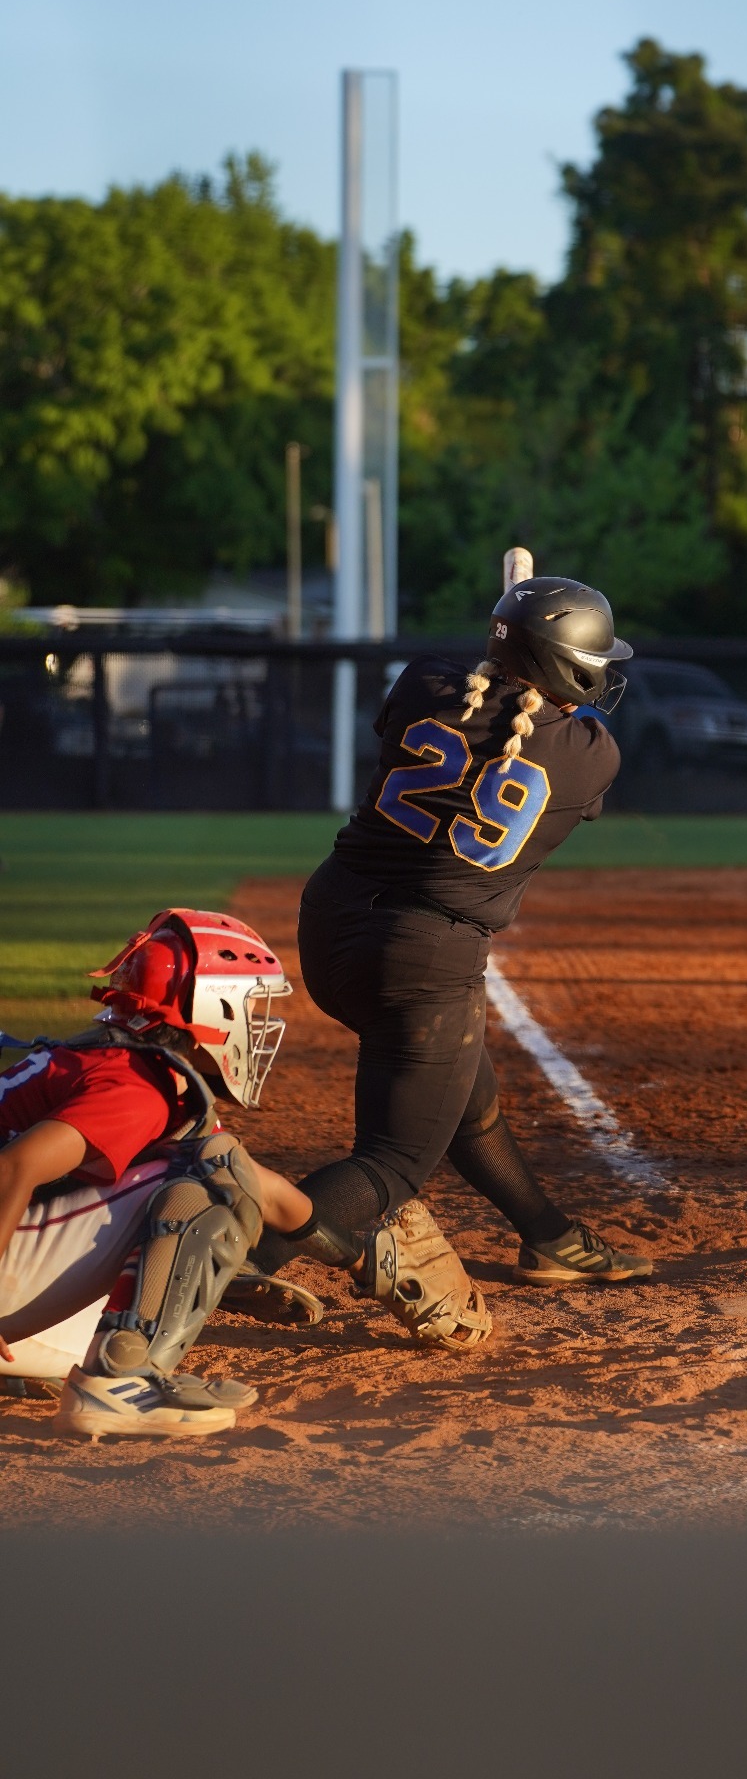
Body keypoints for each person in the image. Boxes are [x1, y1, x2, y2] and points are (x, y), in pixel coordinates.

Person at [249, 575, 654, 1295]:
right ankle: (228, 1263)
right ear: (573, 665)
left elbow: (453, 721)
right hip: (422, 960)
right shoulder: (592, 755)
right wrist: (512, 695)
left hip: (331, 920)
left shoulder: (422, 684)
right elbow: (531, 752)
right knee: (392, 1162)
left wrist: (494, 680)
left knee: (464, 1094)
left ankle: (548, 1237)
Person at [0, 908, 308, 1439]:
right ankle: (118, 1384)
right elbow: (14, 1165)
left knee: (205, 1170)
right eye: (250, 1005)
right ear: (210, 1006)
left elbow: (272, 1192)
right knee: (210, 1174)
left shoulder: (116, 1055)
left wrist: (361, 1252)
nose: (257, 1022)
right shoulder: (139, 1087)